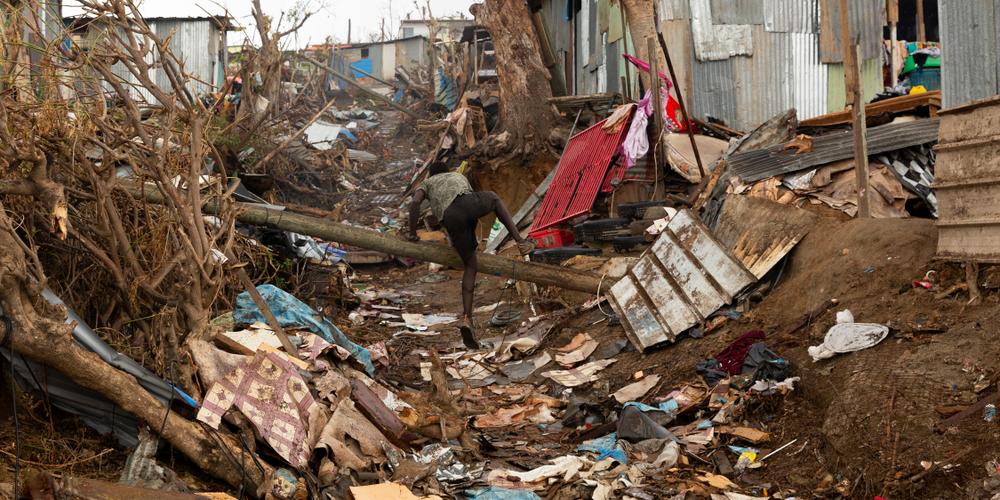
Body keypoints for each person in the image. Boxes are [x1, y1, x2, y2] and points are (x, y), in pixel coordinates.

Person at [406, 162, 534, 348]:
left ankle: (467, 318)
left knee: (470, 266)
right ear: (446, 170)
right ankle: (521, 242)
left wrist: (411, 233)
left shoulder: (427, 184)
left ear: (431, 174)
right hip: (467, 204)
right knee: (494, 199)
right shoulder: (458, 176)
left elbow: (416, 202)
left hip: (450, 217)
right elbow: (471, 208)